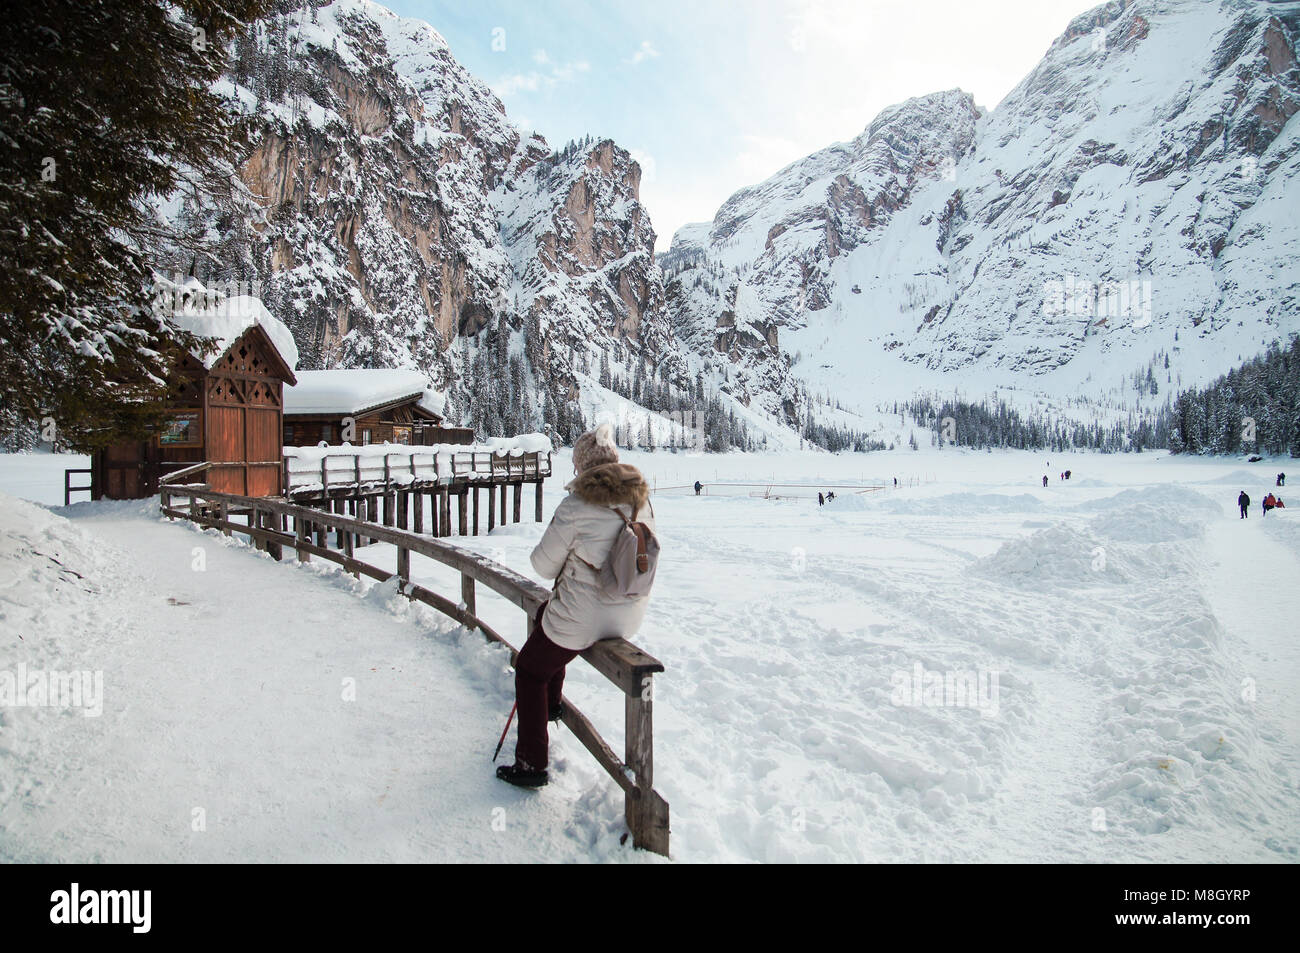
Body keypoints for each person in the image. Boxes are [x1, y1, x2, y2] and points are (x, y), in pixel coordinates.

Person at [496, 424, 656, 788]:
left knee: (530, 669)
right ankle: (549, 705)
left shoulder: (575, 505)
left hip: (583, 618)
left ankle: (531, 762)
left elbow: (542, 566)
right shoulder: (641, 501)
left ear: (584, 467)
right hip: (628, 615)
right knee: (546, 621)